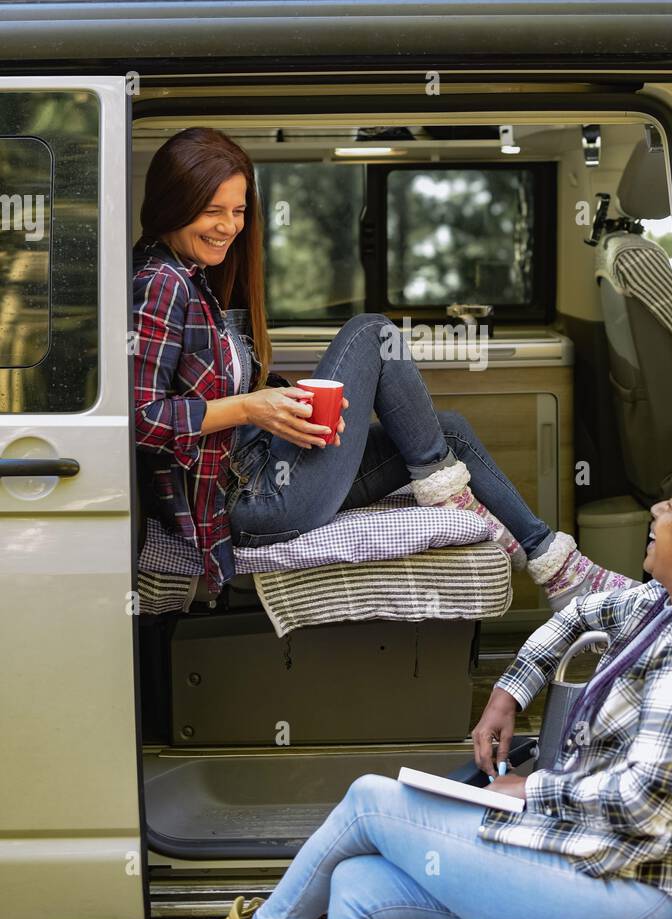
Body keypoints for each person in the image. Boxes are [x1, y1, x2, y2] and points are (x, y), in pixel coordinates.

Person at [141, 465, 672, 919]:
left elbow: (642, 801)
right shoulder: (663, 606)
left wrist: (533, 790)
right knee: (359, 887)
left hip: (631, 903)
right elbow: (577, 617)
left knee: (373, 800)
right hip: (584, 868)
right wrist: (507, 693)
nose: (656, 514)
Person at [132, 126, 615, 605]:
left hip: (262, 464)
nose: (230, 226)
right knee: (372, 332)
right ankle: (447, 496)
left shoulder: (193, 279)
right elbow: (141, 419)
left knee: (450, 433)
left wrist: (285, 405)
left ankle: (560, 570)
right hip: (252, 500)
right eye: (212, 210)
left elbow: (224, 389)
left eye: (238, 211)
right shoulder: (163, 283)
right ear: (173, 203)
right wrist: (250, 409)